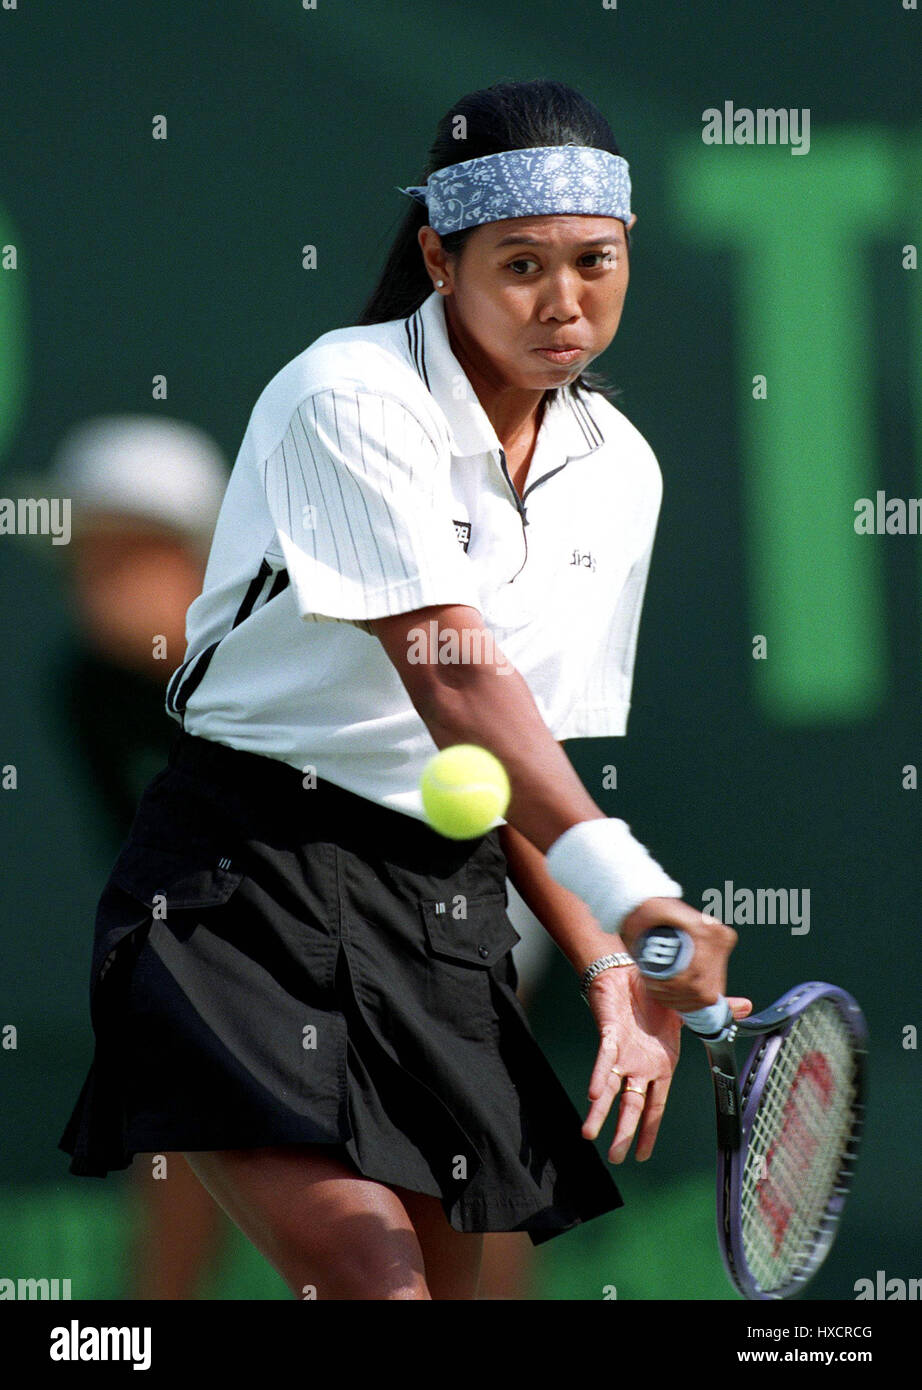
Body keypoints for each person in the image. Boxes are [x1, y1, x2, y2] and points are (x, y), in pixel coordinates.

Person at [59, 78, 751, 1301]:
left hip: (444, 905)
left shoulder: (619, 472)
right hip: (241, 879)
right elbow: (455, 679)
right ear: (440, 257)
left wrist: (603, 961)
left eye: (594, 261)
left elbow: (520, 756)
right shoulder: (347, 394)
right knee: (373, 1279)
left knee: (452, 1293)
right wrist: (640, 897)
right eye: (519, 264)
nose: (563, 302)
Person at [48, 416, 233, 1299]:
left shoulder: (276, 663)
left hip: (426, 915)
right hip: (230, 948)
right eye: (85, 556)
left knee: (448, 1173)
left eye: (127, 554)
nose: (97, 581)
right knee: (177, 1140)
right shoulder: (85, 687)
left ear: (200, 558)